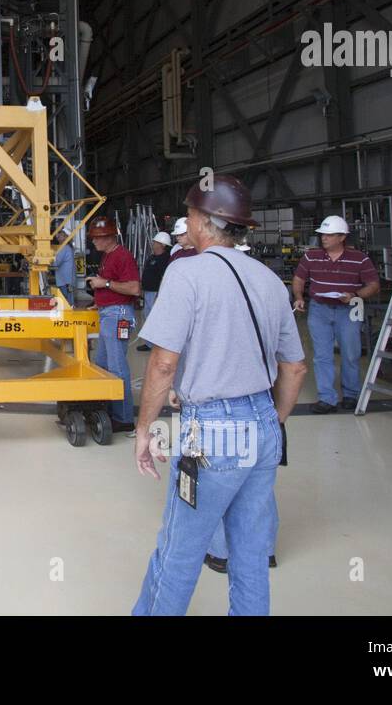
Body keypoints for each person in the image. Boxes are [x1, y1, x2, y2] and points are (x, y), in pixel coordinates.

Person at [132, 174, 306, 616]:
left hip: (214, 430)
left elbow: (164, 364)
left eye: (189, 213)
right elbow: (295, 367)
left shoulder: (186, 272)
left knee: (178, 551)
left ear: (207, 221)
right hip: (264, 425)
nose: (185, 221)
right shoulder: (269, 280)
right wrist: (274, 421)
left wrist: (144, 428)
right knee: (248, 557)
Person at [293, 215, 380, 413]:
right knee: (322, 355)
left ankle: (351, 395)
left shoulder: (360, 259)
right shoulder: (311, 256)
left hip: (349, 309)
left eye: (329, 235)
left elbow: (373, 285)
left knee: (350, 353)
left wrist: (355, 295)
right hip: (319, 308)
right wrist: (298, 297)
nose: (324, 238)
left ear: (342, 237)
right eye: (323, 235)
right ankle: (327, 398)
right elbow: (299, 278)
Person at [85, 215, 141, 434]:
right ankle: (109, 409)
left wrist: (104, 283)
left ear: (110, 237)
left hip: (118, 316)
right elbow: (113, 289)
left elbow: (134, 288)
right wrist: (98, 301)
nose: (94, 242)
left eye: (98, 238)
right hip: (109, 313)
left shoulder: (122, 256)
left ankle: (124, 418)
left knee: (117, 367)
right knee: (102, 365)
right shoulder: (107, 256)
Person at [136, 231, 172, 353]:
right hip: (147, 292)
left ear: (162, 245)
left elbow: (165, 278)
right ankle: (150, 343)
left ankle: (158, 345)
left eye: (156, 242)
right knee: (147, 317)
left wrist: (160, 295)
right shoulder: (152, 257)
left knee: (156, 319)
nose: (154, 244)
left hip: (156, 293)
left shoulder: (165, 259)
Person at [51, 229, 76, 303]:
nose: (58, 236)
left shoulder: (64, 248)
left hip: (64, 281)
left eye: (61, 234)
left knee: (66, 302)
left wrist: (46, 262)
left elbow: (56, 263)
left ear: (66, 237)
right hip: (68, 280)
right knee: (68, 301)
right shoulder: (68, 247)